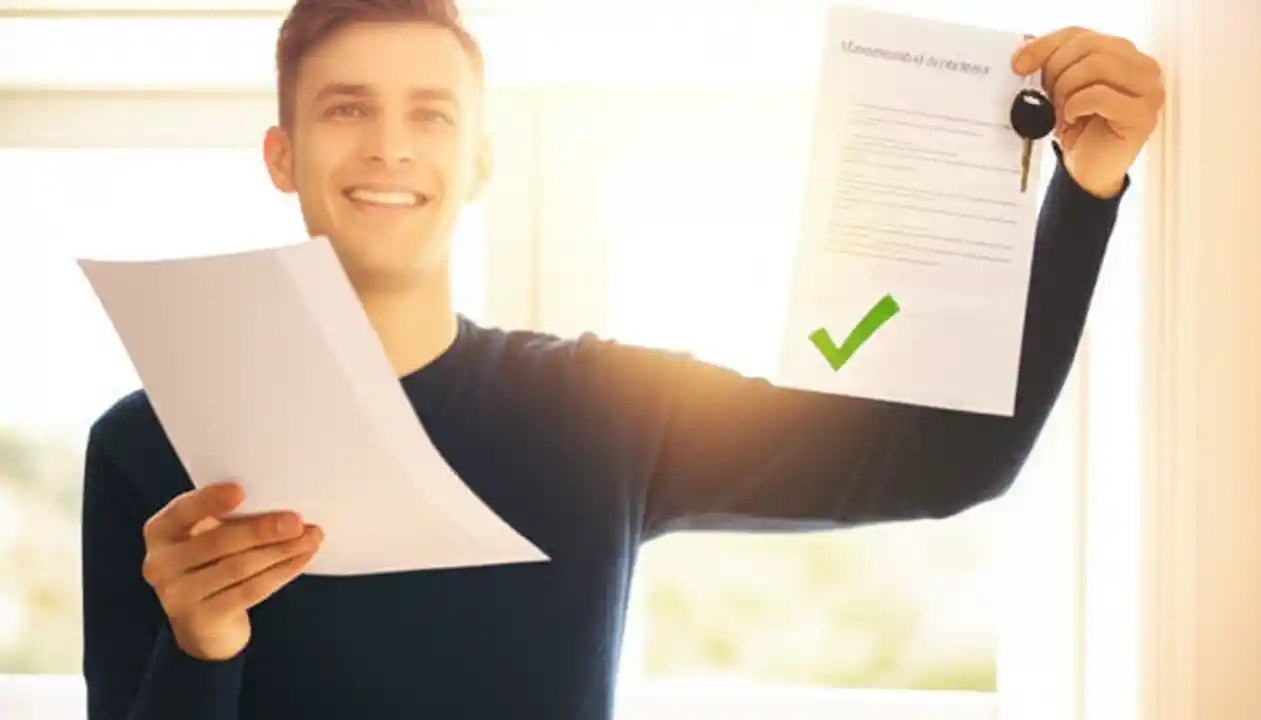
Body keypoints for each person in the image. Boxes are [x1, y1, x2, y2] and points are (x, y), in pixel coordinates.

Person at [78, 1, 1165, 718]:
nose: (389, 146)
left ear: (479, 161)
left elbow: (943, 461)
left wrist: (1085, 194)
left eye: (430, 113)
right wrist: (202, 642)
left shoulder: (599, 409)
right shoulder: (148, 444)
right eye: (346, 109)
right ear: (283, 154)